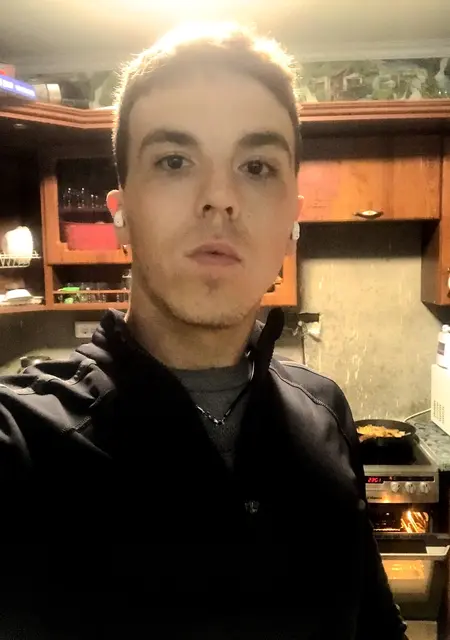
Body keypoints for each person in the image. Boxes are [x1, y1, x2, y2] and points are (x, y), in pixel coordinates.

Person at [0, 23, 407, 640]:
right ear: (121, 214)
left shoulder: (326, 410)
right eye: (174, 161)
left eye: (256, 166)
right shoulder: (21, 439)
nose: (220, 198)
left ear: (291, 220)